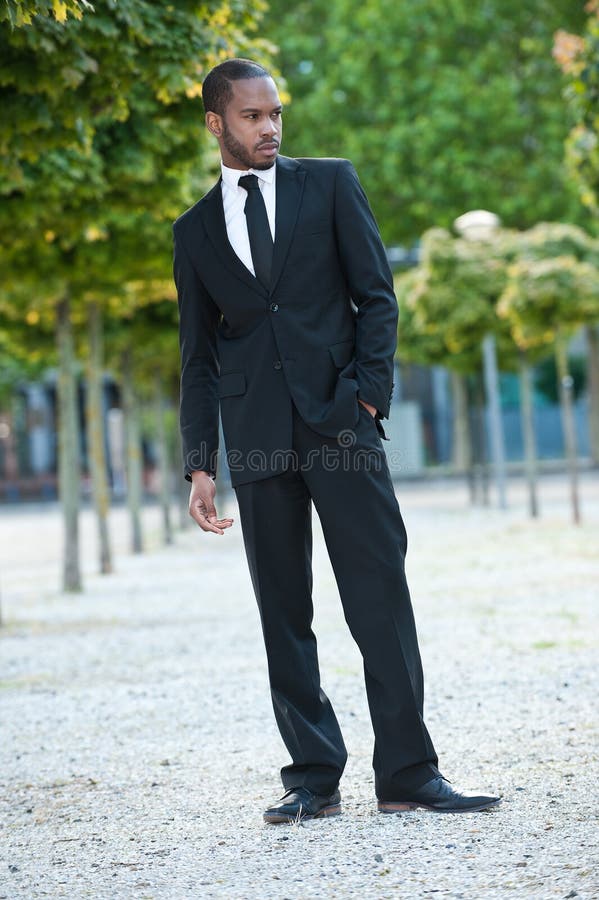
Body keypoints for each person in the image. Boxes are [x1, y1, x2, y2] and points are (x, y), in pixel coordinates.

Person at [172, 58, 501, 823]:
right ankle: (312, 777)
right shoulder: (192, 232)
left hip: (341, 427)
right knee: (282, 610)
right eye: (252, 117)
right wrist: (199, 463)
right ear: (216, 123)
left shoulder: (329, 184)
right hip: (256, 438)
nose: (270, 128)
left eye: (275, 114)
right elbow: (197, 355)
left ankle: (409, 772)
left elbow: (375, 296)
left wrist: (368, 401)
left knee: (378, 596)